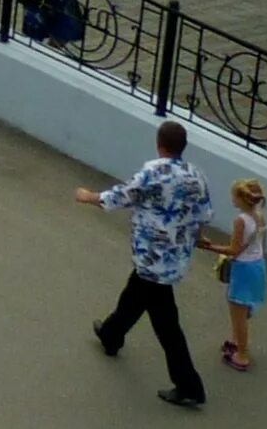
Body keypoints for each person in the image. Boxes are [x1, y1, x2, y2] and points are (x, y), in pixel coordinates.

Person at [77, 119, 213, 408]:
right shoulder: (196, 176)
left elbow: (122, 195)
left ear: (159, 144)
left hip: (152, 256)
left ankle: (189, 385)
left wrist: (89, 197)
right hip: (175, 258)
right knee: (135, 296)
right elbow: (203, 214)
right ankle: (111, 335)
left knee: (166, 324)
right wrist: (197, 237)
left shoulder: (154, 172)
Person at [199, 178, 267, 373]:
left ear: (242, 199)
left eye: (234, 196)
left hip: (243, 268)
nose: (232, 200)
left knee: (237, 312)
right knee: (242, 310)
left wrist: (209, 246)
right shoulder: (260, 216)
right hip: (257, 264)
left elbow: (233, 249)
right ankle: (236, 342)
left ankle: (242, 355)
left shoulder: (240, 221)